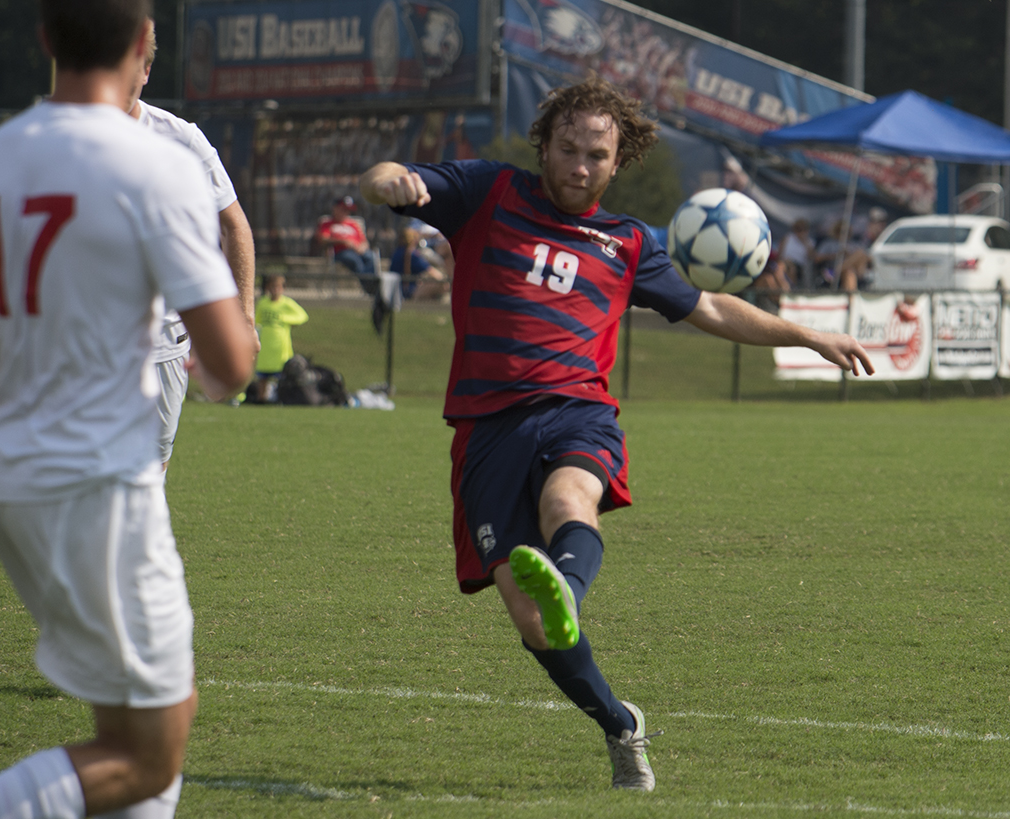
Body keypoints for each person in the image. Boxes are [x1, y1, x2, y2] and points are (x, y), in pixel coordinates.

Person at [360, 75, 874, 793]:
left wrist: (809, 332)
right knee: (532, 625)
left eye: (594, 155)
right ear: (544, 144)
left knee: (571, 500)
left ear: (617, 160)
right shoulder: (488, 191)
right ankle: (618, 722)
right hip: (486, 429)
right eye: (567, 149)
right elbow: (389, 175)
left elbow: (715, 311)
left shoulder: (628, 242)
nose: (578, 166)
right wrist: (390, 184)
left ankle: (568, 584)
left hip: (578, 410)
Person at [0, 3, 255, 818]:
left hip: (11, 475)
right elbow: (229, 366)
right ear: (143, 47)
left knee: (135, 734)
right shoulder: (152, 166)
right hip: (99, 480)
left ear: (44, 41)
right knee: (148, 753)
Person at [126, 20, 257, 467]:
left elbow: (234, 226)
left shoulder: (182, 139)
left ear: (147, 72)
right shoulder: (59, 141)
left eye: (137, 64)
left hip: (164, 340)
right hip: (86, 336)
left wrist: (244, 316)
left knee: (152, 466)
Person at [253, 274, 310, 402]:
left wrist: (286, 319)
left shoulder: (287, 303)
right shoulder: (263, 303)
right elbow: (258, 320)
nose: (275, 290)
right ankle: (261, 400)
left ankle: (281, 399)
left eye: (278, 287)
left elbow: (302, 316)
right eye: (272, 287)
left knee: (281, 375)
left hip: (280, 345)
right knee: (263, 376)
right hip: (266, 343)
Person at [315, 196, 376, 292]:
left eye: (348, 210)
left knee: (371, 257)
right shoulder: (327, 223)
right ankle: (370, 288)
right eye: (343, 209)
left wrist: (362, 248)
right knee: (355, 261)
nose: (346, 213)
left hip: (358, 250)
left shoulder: (353, 224)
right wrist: (344, 242)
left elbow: (364, 241)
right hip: (339, 252)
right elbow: (323, 239)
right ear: (335, 208)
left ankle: (372, 284)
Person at [391, 225, 448, 300]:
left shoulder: (396, 253)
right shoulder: (412, 255)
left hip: (394, 290)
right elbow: (435, 275)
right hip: (409, 292)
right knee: (442, 284)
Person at [815, 220, 872, 291]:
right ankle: (839, 269)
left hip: (852, 269)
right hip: (833, 268)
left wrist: (850, 255)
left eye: (847, 232)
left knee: (850, 272)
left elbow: (868, 258)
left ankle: (852, 299)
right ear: (836, 232)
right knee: (860, 253)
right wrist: (837, 255)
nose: (845, 234)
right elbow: (817, 258)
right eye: (841, 231)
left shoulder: (854, 244)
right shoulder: (828, 244)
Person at [777, 217, 816, 288]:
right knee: (780, 267)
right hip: (785, 261)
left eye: (803, 230)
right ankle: (782, 288)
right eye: (798, 229)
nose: (800, 232)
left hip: (800, 266)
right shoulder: (787, 238)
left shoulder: (810, 242)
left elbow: (811, 257)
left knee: (792, 269)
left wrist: (805, 242)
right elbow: (780, 252)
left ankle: (791, 289)